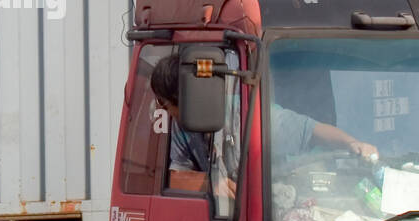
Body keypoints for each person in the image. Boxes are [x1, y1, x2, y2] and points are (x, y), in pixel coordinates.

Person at [150, 52, 378, 193]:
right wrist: (210, 185)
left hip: (269, 209)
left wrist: (352, 143)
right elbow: (177, 176)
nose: (166, 114)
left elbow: (311, 130)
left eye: (166, 106)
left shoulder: (248, 113)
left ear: (187, 99)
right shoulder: (182, 128)